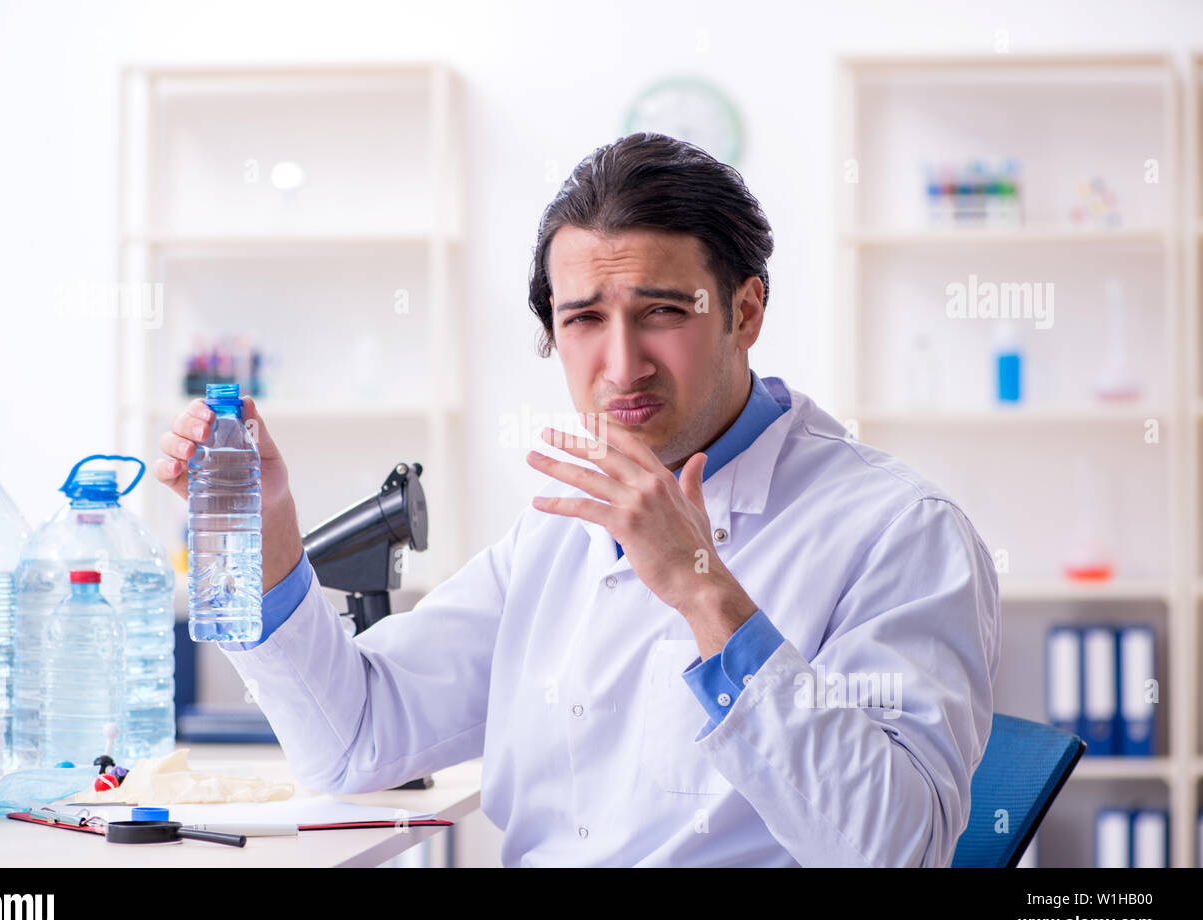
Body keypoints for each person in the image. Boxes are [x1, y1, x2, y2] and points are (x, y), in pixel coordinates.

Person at [157, 132, 1000, 867]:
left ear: (746, 310)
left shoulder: (900, 531)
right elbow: (352, 741)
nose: (621, 363)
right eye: (584, 319)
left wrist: (704, 589)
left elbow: (898, 849)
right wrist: (266, 536)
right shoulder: (557, 532)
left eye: (663, 310)